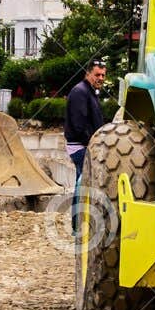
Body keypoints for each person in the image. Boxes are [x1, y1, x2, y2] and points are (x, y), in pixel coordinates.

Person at [64, 60, 107, 228]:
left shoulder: (88, 91)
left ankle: (79, 224)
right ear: (88, 73)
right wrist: (93, 144)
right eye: (97, 74)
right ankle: (78, 224)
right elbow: (78, 124)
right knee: (82, 183)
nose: (101, 78)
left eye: (103, 75)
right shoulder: (80, 92)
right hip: (81, 147)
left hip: (84, 145)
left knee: (81, 182)